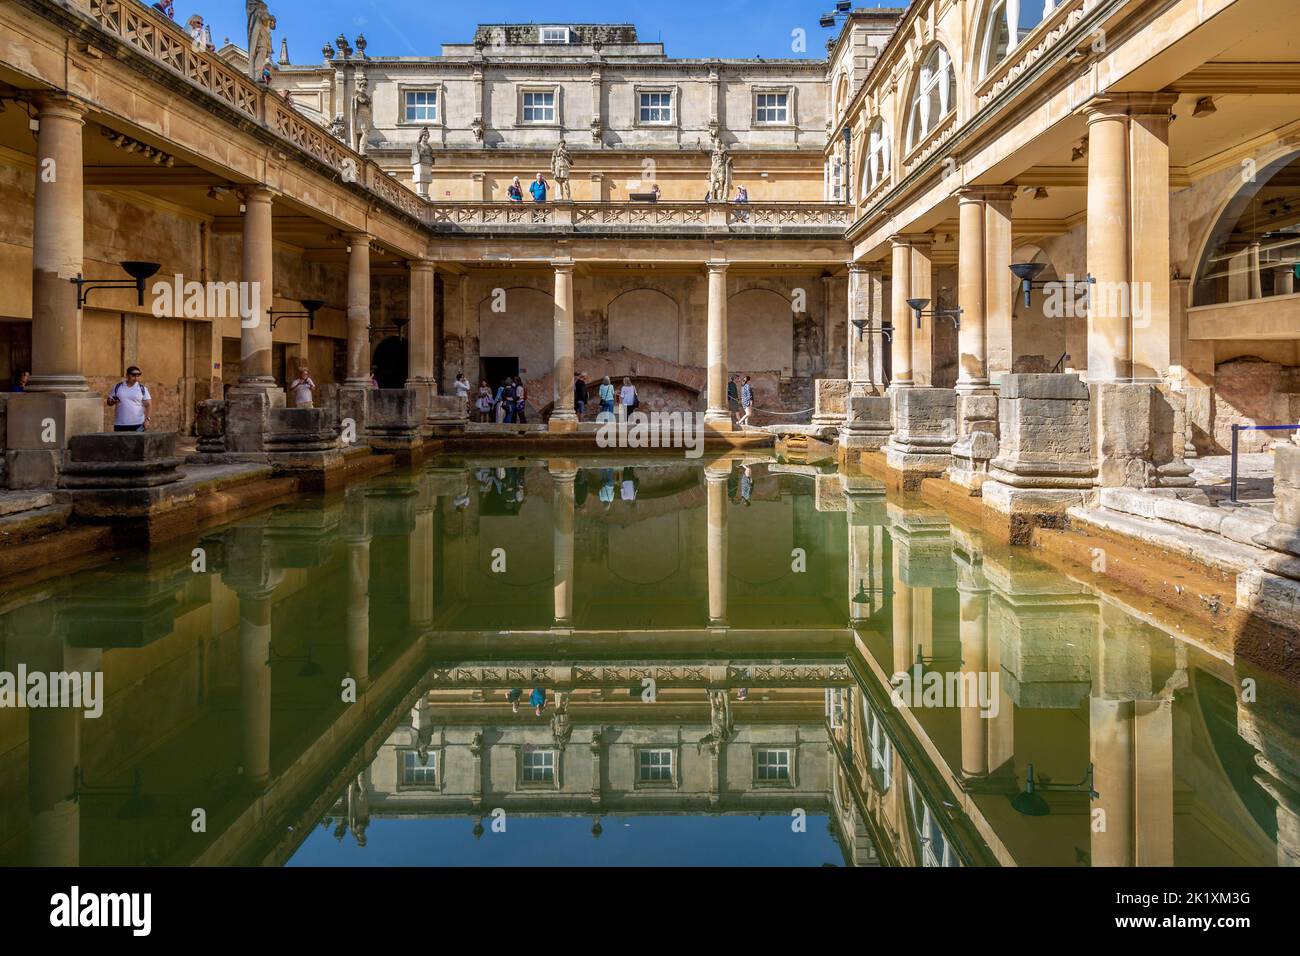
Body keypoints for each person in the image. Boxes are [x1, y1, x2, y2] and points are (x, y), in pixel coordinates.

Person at [107, 366, 152, 432]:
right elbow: (109, 402)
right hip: (120, 424)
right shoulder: (118, 387)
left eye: (138, 375)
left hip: (138, 424)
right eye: (133, 375)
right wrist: (112, 401)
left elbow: (149, 405)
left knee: (137, 442)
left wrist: (147, 420)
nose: (136, 378)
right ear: (127, 375)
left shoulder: (142, 388)